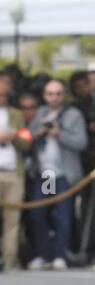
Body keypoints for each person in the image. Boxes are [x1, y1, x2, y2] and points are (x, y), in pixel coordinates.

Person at [27, 78, 88, 270]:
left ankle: (62, 254)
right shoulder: (41, 113)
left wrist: (58, 133)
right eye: (50, 93)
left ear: (64, 95)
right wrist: (39, 132)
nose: (54, 97)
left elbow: (81, 142)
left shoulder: (73, 114)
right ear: (45, 96)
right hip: (46, 174)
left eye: (58, 93)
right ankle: (44, 254)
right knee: (39, 213)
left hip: (64, 174)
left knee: (63, 215)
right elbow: (28, 136)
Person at [0, 74, 32, 271]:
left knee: (13, 220)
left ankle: (10, 258)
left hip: (13, 172)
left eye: (5, 95)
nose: (2, 98)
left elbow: (27, 140)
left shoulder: (16, 115)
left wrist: (13, 136)